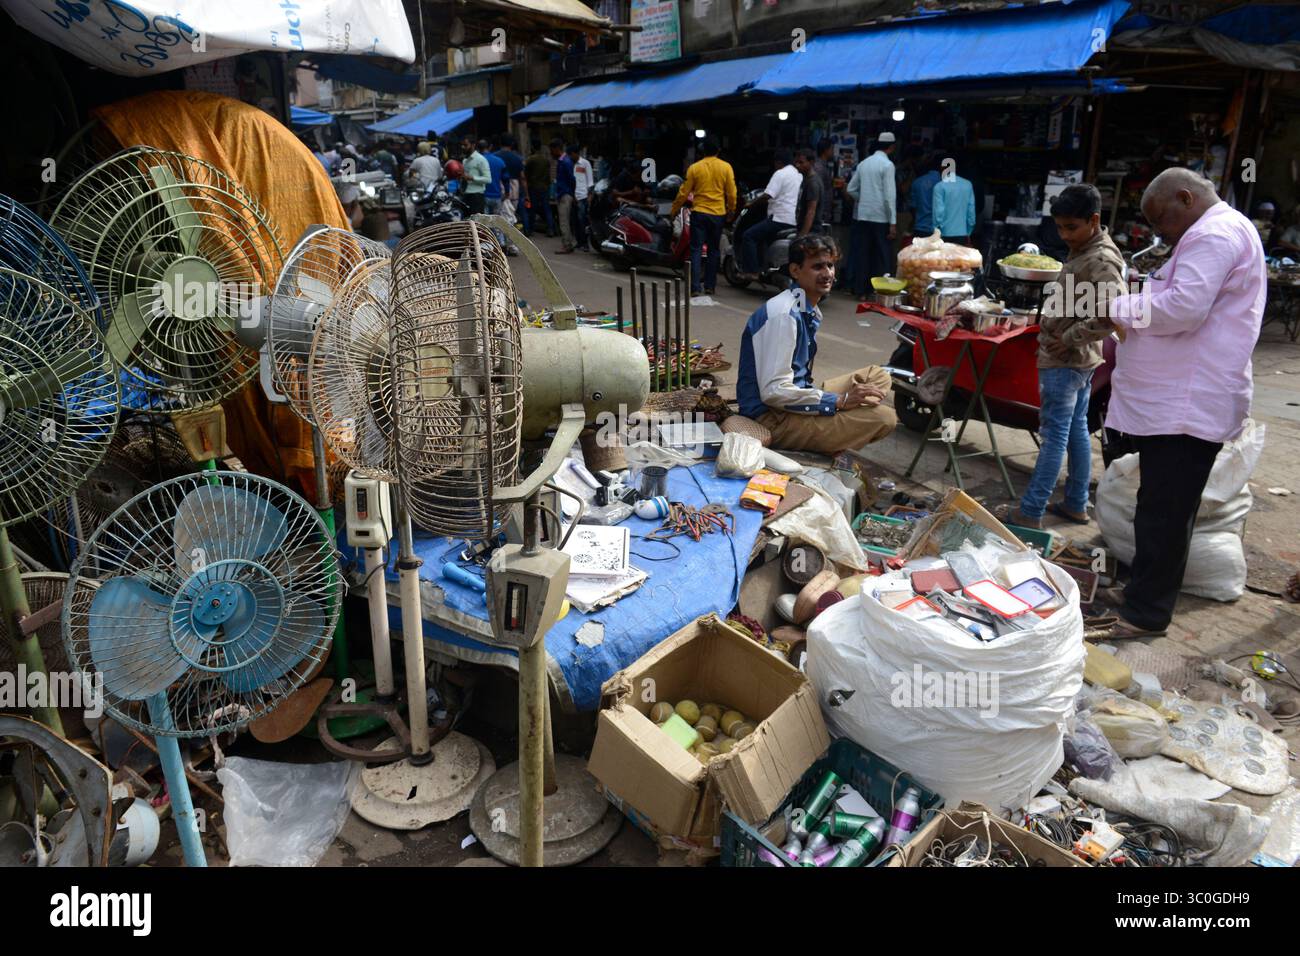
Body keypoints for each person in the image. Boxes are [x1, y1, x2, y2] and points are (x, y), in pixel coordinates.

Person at [1100, 168, 1266, 638]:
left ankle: (1145, 613)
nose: (1160, 233)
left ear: (1186, 198)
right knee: (1158, 506)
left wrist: (1119, 307)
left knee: (1166, 512)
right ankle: (1141, 596)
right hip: (1181, 403)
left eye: (1162, 220)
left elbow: (1183, 308)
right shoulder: (1222, 230)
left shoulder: (1213, 234)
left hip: (1188, 406)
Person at [1008, 184, 1125, 531]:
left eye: (1071, 227)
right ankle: (1075, 504)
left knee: (1055, 435)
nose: (1064, 235)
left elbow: (1116, 312)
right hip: (1078, 360)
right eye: (1059, 228)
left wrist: (1070, 338)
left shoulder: (1101, 258)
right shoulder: (1085, 249)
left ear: (1094, 220)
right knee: (1073, 429)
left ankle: (1031, 511)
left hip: (1068, 360)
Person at [735, 234, 897, 454]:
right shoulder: (783, 315)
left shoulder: (806, 308)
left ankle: (837, 420)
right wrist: (839, 401)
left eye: (830, 265)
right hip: (771, 417)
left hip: (797, 395)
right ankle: (837, 422)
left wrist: (837, 401)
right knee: (884, 417)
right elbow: (773, 392)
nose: (827, 273)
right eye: (817, 267)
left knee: (878, 374)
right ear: (795, 270)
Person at [670, 137, 737, 296]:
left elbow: (683, 192)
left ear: (702, 151)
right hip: (718, 214)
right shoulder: (726, 167)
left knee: (695, 249)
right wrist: (731, 210)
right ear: (718, 151)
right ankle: (710, 286)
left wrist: (674, 210)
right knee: (713, 250)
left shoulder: (694, 168)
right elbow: (732, 192)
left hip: (699, 213)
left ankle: (694, 287)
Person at [846, 132, 897, 301]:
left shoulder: (864, 164)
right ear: (891, 147)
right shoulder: (887, 165)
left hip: (863, 216)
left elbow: (851, 189)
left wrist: (864, 199)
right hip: (881, 217)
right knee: (881, 255)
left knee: (863, 253)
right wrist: (893, 222)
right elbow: (890, 196)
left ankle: (860, 291)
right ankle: (878, 292)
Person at [739, 149, 801, 279]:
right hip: (792, 220)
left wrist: (750, 204)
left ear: (778, 162)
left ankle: (751, 271)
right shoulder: (798, 175)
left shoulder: (780, 173)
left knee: (748, 236)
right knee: (761, 237)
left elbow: (767, 195)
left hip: (778, 219)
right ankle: (765, 267)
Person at [932, 159, 976, 245]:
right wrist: (968, 232)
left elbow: (938, 213)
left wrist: (936, 231)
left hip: (944, 234)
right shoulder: (968, 184)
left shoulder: (939, 186)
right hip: (963, 233)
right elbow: (971, 213)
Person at [523, 141, 554, 237]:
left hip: (533, 187)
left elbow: (525, 173)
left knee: (532, 209)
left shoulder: (530, 160)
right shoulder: (546, 160)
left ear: (532, 147)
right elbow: (549, 175)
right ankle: (551, 229)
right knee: (547, 208)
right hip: (544, 187)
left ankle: (530, 229)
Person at [553, 139, 578, 253]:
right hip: (564, 193)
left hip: (565, 194)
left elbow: (572, 179)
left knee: (564, 221)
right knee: (565, 221)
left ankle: (567, 245)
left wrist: (571, 193)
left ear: (556, 149)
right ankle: (568, 243)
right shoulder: (564, 161)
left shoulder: (565, 161)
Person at [909, 153, 940, 239]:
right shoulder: (944, 183)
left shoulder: (917, 182)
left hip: (920, 227)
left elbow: (913, 206)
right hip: (939, 229)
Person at [793, 148, 824, 238]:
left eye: (801, 162)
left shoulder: (812, 183)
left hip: (811, 232)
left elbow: (811, 212)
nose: (797, 165)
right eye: (796, 162)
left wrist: (802, 236)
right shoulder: (807, 180)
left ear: (811, 162)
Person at [460, 137, 491, 215]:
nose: (463, 147)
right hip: (465, 195)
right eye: (462, 145)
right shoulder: (465, 160)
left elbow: (488, 179)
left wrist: (472, 178)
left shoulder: (481, 159)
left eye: (465, 145)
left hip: (476, 196)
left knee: (476, 224)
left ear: (473, 145)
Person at [573, 145, 595, 251]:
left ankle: (585, 243)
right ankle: (579, 242)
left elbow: (590, 181)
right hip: (573, 196)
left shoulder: (585, 163)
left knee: (583, 221)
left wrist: (589, 196)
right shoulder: (570, 164)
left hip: (583, 196)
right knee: (575, 221)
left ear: (576, 153)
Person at [814, 139, 837, 231]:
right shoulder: (819, 167)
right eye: (832, 149)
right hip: (820, 212)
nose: (833, 152)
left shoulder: (824, 166)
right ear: (826, 150)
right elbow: (817, 190)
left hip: (824, 211)